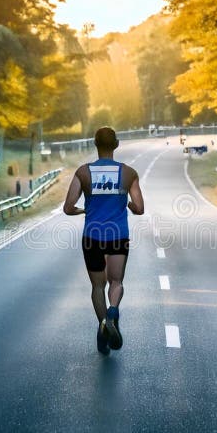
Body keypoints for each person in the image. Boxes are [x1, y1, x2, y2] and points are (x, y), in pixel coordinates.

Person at [63, 127, 144, 355]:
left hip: (92, 235)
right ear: (117, 144)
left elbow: (68, 208)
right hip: (118, 234)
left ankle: (102, 328)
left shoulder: (83, 172)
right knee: (116, 282)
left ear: (95, 144)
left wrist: (84, 211)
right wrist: (127, 204)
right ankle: (113, 312)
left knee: (98, 286)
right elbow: (139, 208)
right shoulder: (129, 173)